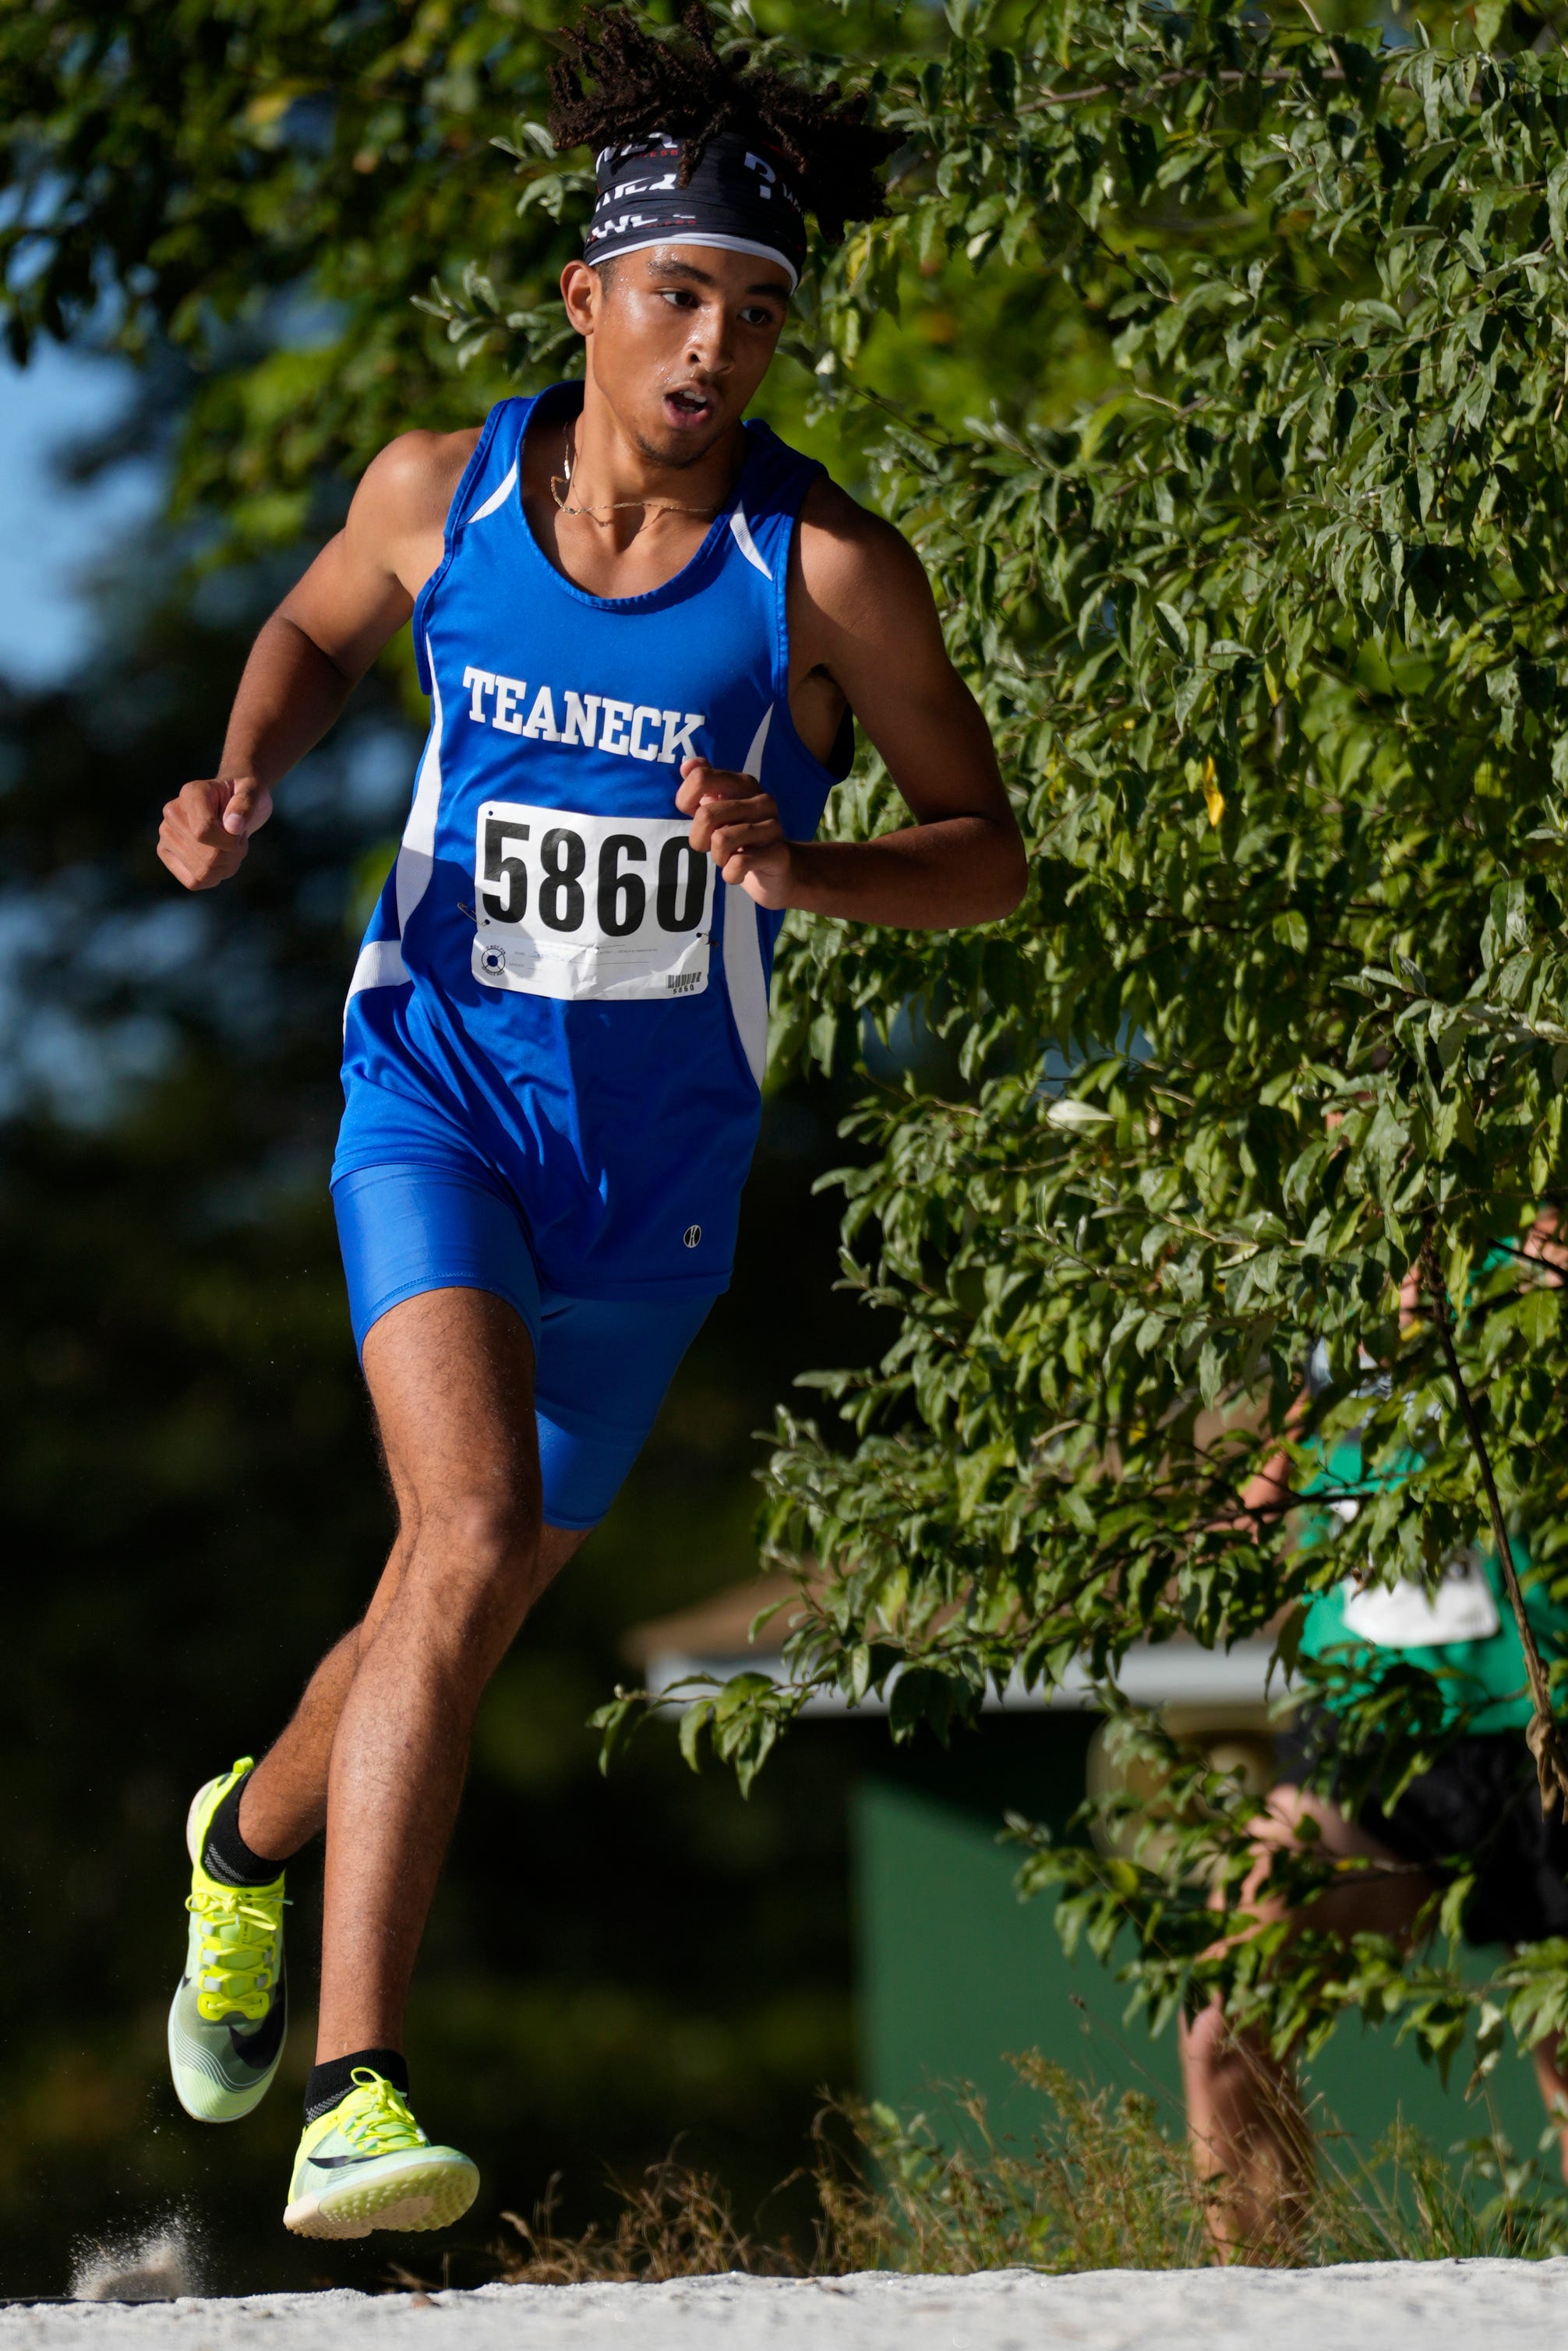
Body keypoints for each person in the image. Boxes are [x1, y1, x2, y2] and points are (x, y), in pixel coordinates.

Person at [155, 5, 1026, 2242]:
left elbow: (984, 847)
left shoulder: (821, 577)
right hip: (432, 1090)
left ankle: (243, 1843)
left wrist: (807, 868)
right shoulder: (440, 491)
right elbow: (314, 630)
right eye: (677, 295)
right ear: (586, 298)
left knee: (474, 1588)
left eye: (756, 311)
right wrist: (247, 762)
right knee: (452, 1543)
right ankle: (360, 2089)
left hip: (649, 1181)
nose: (715, 345)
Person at [1180, 1288, 1568, 2260]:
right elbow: (1324, 1387)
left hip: (1542, 1706)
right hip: (1367, 1713)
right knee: (1226, 2006)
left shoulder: (1518, 1208)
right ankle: (1252, 2315)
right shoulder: (1323, 1237)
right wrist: (1261, 1490)